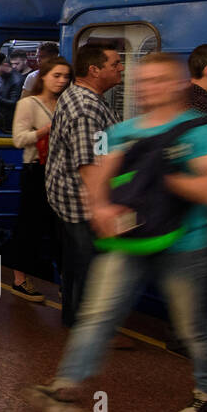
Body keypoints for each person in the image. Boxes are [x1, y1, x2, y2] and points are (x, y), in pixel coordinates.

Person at [26, 53, 207, 412]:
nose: (149, 87)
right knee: (96, 315)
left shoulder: (205, 131)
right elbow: (97, 180)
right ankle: (65, 386)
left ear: (178, 84)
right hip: (130, 241)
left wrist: (163, 180)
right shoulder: (119, 133)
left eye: (159, 80)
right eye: (143, 81)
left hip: (187, 245)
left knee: (193, 326)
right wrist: (101, 208)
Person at [44, 42, 125, 327]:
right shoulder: (86, 109)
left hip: (69, 197)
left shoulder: (80, 96)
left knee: (78, 264)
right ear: (94, 70)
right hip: (79, 202)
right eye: (115, 64)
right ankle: (85, 326)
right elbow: (88, 165)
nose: (121, 68)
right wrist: (101, 206)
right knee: (87, 265)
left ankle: (76, 317)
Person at [5, 56, 73, 302]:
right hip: (36, 171)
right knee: (29, 225)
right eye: (56, 75)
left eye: (66, 76)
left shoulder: (66, 102)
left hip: (61, 171)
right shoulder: (29, 104)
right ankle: (20, 280)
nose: (62, 80)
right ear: (42, 76)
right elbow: (19, 139)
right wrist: (46, 129)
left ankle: (67, 281)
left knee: (62, 228)